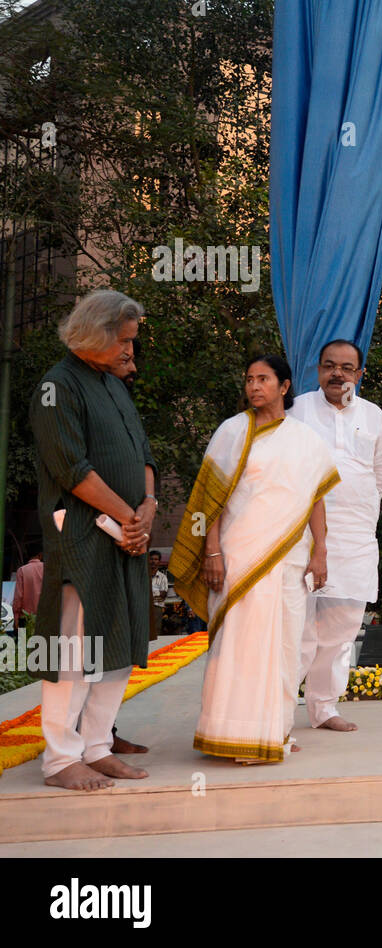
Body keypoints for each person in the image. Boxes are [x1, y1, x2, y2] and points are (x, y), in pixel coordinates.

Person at [172, 355, 338, 764]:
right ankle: (231, 732)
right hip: (238, 556)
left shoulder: (306, 439)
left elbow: (315, 499)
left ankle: (274, 730)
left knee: (284, 645)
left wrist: (321, 551)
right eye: (249, 379)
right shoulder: (232, 431)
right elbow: (210, 501)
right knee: (238, 644)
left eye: (263, 379)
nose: (254, 386)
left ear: (284, 386)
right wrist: (211, 551)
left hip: (291, 561)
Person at [28, 289, 155, 791]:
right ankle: (61, 759)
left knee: (120, 643)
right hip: (83, 534)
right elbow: (71, 469)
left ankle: (97, 746)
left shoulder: (113, 384)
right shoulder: (56, 387)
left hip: (127, 534)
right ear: (96, 334)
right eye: (124, 341)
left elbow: (144, 454)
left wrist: (147, 509)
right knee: (76, 648)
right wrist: (129, 518)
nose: (130, 352)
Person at [290, 340, 382, 733]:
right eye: (330, 366)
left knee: (342, 630)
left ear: (359, 373)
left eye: (346, 368)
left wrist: (356, 502)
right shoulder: (296, 410)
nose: (338, 374)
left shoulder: (375, 418)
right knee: (298, 631)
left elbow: (381, 473)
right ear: (318, 370)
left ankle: (324, 708)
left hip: (355, 539)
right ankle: (279, 714)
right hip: (301, 537)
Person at [12, 549, 44, 636]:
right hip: (44, 618)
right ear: (40, 555)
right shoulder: (48, 569)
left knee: (23, 648)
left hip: (25, 619)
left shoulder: (22, 570)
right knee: (44, 648)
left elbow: (18, 597)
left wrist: (16, 618)